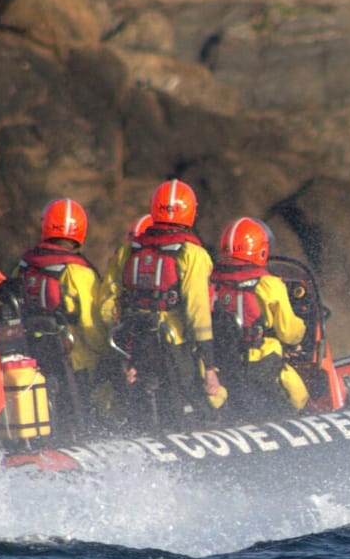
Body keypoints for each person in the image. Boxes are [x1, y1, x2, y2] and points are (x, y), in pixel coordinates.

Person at [106, 179, 223, 428]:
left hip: (135, 344)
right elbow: (197, 312)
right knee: (197, 403)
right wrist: (210, 366)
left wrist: (122, 348)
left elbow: (107, 304)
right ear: (190, 211)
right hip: (174, 343)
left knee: (144, 405)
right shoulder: (192, 254)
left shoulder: (128, 250)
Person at [12, 198, 110, 432]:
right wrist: (108, 354)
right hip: (75, 359)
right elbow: (90, 324)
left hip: (34, 353)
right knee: (107, 384)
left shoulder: (25, 266)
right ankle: (99, 430)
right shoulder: (78, 272)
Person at [209, 216, 308, 419]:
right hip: (260, 362)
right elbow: (290, 333)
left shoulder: (210, 280)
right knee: (299, 396)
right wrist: (297, 337)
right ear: (260, 249)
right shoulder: (268, 284)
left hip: (221, 362)